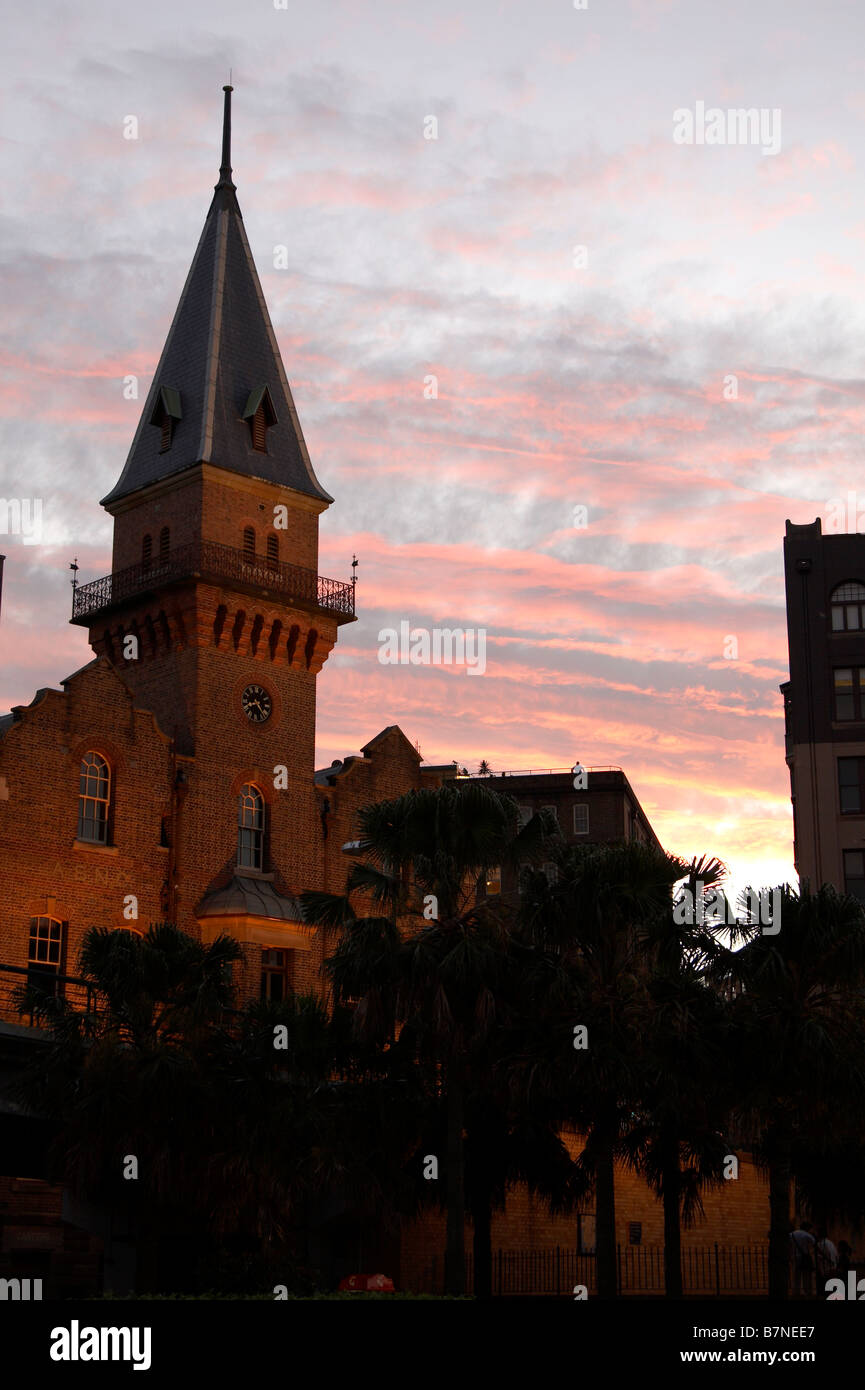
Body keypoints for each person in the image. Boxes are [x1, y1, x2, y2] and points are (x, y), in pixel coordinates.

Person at [790, 1220, 816, 1298]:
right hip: (804, 1257)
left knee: (796, 1275)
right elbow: (814, 1244)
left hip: (795, 1256)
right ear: (807, 1228)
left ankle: (796, 1291)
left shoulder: (792, 1234)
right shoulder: (807, 1235)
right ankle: (806, 1291)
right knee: (806, 1275)